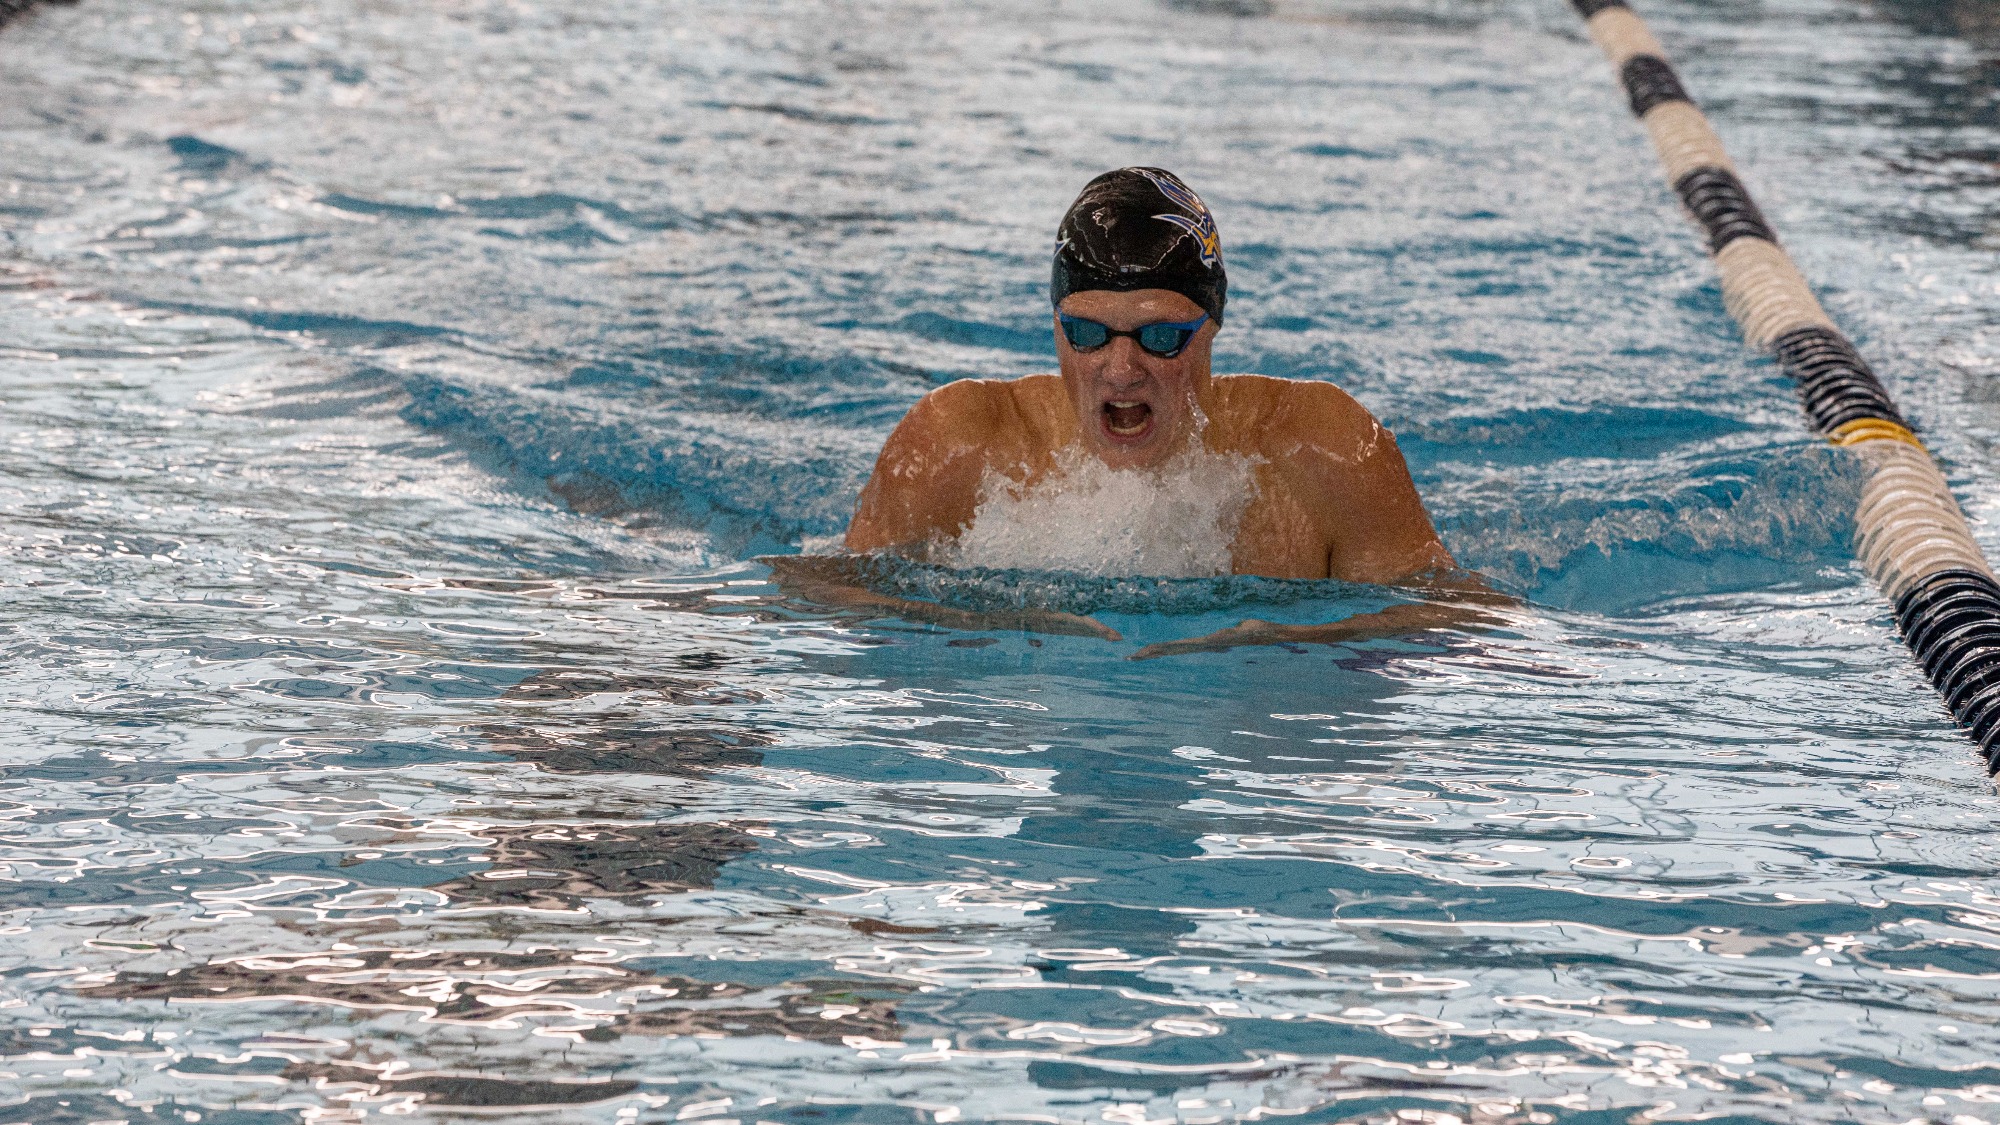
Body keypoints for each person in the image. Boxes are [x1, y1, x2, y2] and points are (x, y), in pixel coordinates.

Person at [796, 167, 1502, 656]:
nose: (1122, 368)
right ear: (1054, 330)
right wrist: (1032, 622)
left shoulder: (1325, 449)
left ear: (1212, 329)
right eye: (1088, 333)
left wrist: (1273, 634)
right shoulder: (958, 444)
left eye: (1161, 337)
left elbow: (1458, 621)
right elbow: (826, 606)